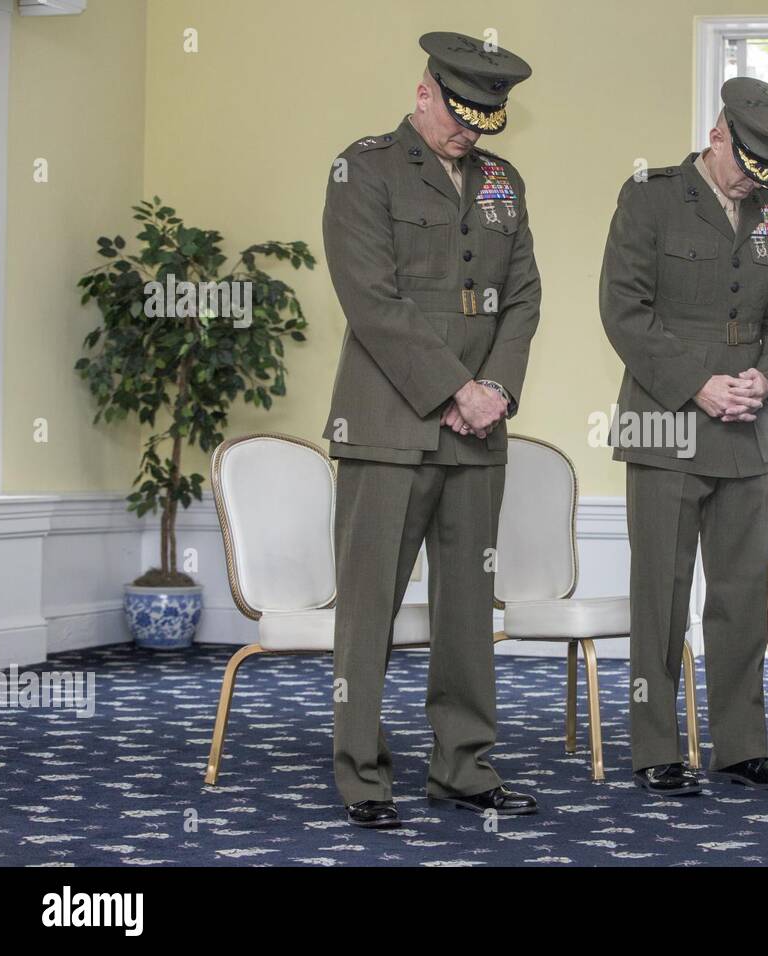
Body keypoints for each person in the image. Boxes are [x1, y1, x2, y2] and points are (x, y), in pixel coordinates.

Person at [322, 31, 541, 827]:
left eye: (484, 120)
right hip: (386, 428)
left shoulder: (501, 182)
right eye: (459, 114)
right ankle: (361, 775)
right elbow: (371, 298)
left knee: (466, 609)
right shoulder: (365, 168)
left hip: (479, 430)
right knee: (368, 610)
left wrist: (493, 390)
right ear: (424, 93)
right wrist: (453, 387)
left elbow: (523, 297)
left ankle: (464, 766)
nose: (471, 132)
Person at [599, 77, 768, 795]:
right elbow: (624, 311)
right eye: (746, 164)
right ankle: (656, 748)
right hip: (666, 424)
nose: (754, 183)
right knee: (661, 598)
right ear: (719, 133)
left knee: (740, 596)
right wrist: (698, 381)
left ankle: (741, 747)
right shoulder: (650, 197)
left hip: (746, 433)